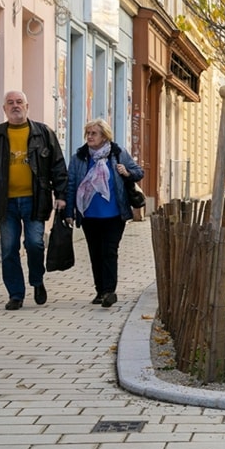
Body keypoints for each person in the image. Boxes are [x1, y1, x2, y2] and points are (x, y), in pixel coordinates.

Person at [0, 90, 69, 310]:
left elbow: (58, 167)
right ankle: (15, 294)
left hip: (36, 200)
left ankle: (37, 281)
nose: (15, 106)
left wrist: (61, 196)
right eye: (10, 103)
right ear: (4, 109)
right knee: (9, 249)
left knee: (35, 244)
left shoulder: (44, 133)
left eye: (19, 102)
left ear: (27, 106)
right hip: (5, 203)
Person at [63, 119, 145, 308]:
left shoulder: (117, 153)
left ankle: (109, 291)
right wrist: (69, 212)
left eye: (94, 133)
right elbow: (71, 185)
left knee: (109, 251)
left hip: (115, 214)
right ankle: (100, 290)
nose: (90, 137)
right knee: (95, 253)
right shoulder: (79, 157)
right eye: (88, 133)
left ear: (104, 136)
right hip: (89, 214)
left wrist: (126, 172)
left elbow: (138, 172)